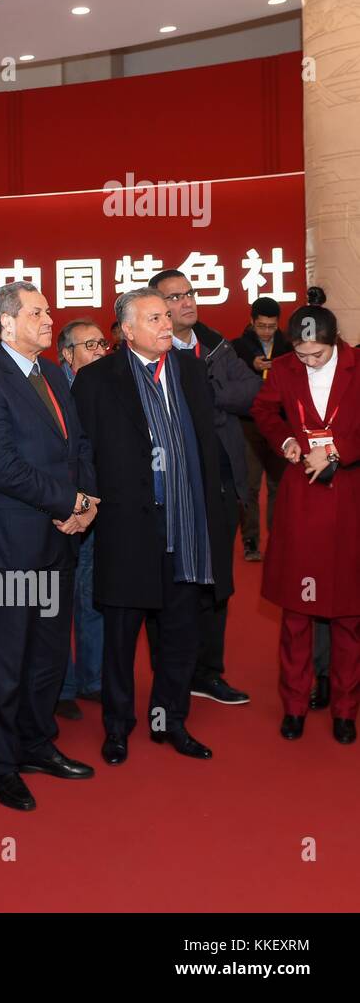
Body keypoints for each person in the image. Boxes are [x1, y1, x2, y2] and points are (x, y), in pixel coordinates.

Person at [72, 289, 230, 766]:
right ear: (127, 331)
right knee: (121, 638)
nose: (167, 324)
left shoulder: (189, 370)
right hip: (128, 531)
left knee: (180, 635)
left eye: (167, 316)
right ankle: (117, 727)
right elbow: (83, 453)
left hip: (187, 527)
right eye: (155, 318)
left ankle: (171, 720)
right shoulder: (98, 379)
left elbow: (208, 443)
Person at [0, 281, 97, 811]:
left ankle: (37, 744)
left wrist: (85, 499)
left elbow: (79, 445)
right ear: (5, 324)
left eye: (47, 309)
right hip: (10, 547)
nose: (48, 318)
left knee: (46, 655)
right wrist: (69, 504)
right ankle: (1, 764)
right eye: (37, 312)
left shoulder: (56, 375)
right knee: (3, 661)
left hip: (58, 539)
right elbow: (4, 469)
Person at [149, 269, 260, 705]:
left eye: (189, 293)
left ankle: (208, 672)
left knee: (218, 582)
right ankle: (171, 672)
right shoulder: (148, 353)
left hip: (220, 482)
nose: (186, 302)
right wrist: (213, 393)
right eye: (174, 298)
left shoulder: (214, 343)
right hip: (174, 485)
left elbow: (250, 391)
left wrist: (207, 394)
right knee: (172, 583)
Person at [252, 305, 359, 745]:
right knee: (297, 612)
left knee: (349, 615)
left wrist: (335, 452)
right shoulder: (282, 369)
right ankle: (294, 704)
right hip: (301, 501)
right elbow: (264, 412)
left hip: (349, 500)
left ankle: (345, 708)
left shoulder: (357, 367)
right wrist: (288, 440)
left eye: (317, 354)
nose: (308, 361)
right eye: (302, 353)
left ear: (334, 343)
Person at [53, 318, 109, 721]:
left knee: (92, 596)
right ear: (67, 355)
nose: (101, 351)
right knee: (57, 602)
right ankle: (63, 685)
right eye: (90, 345)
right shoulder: (53, 389)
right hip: (57, 510)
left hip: (98, 509)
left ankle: (95, 679)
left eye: (103, 343)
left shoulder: (114, 387)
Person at [232, 297, 292, 561]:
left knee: (280, 485)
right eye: (261, 326)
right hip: (249, 425)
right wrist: (250, 367)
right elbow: (231, 384)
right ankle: (250, 541)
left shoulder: (288, 346)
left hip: (280, 424)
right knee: (250, 486)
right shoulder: (238, 347)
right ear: (251, 322)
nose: (267, 331)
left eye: (271, 326)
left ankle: (279, 539)